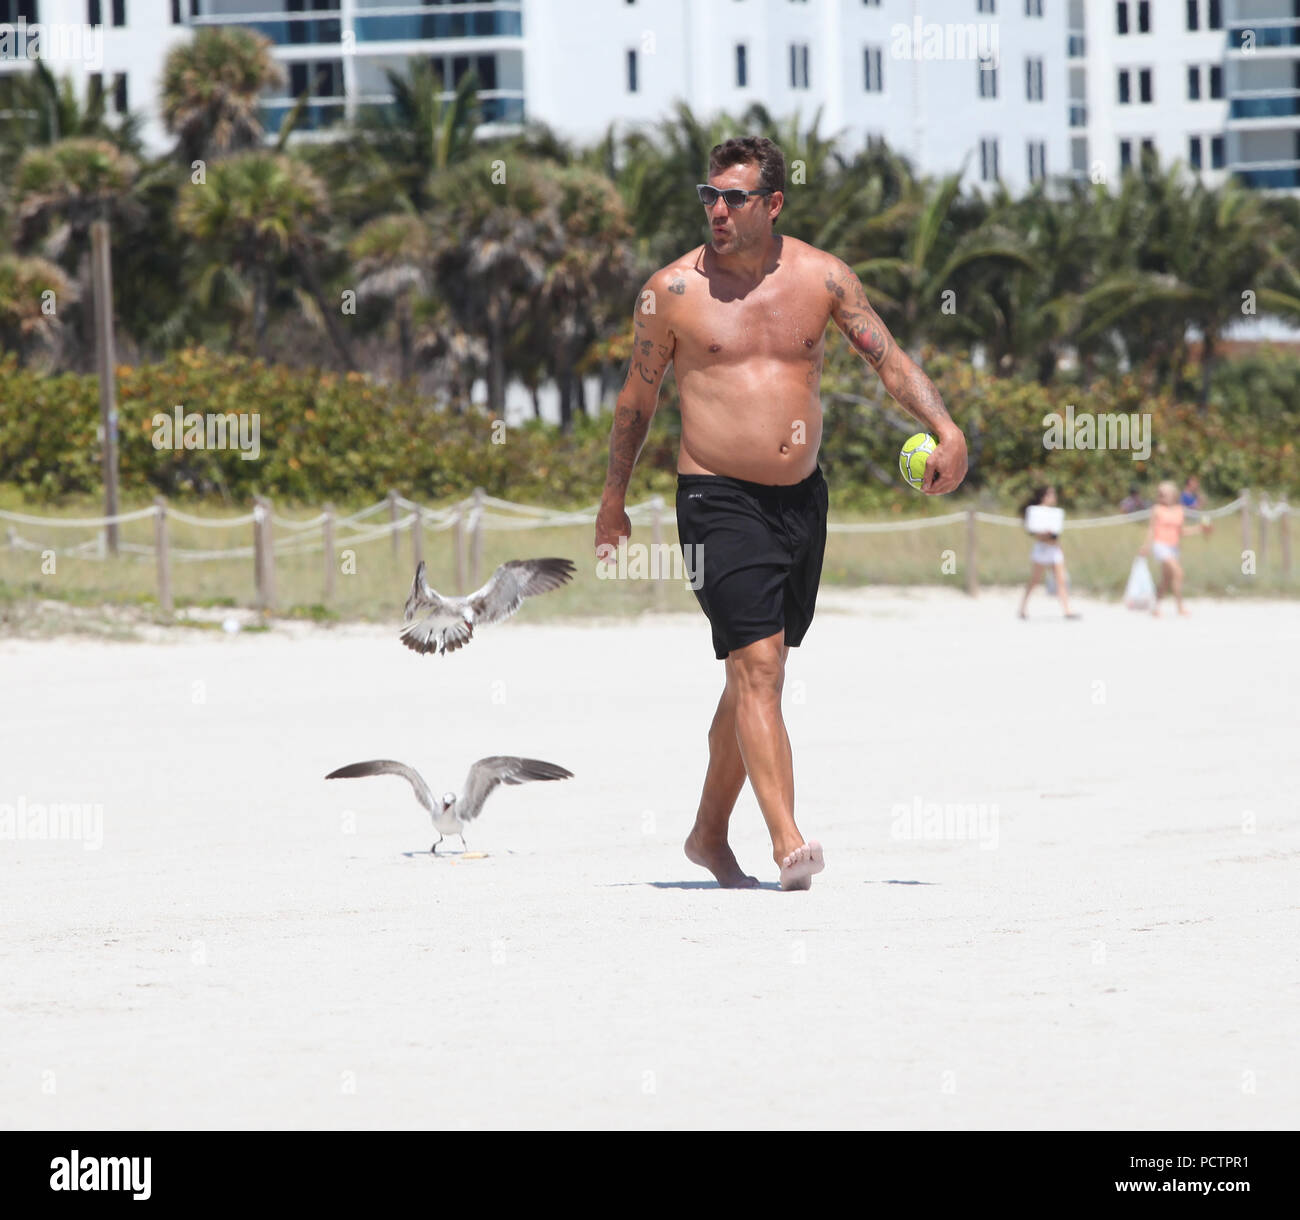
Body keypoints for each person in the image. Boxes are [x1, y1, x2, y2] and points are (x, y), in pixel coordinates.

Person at [593, 137, 967, 890]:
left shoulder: (822, 279)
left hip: (801, 499)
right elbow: (638, 400)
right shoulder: (670, 293)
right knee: (758, 666)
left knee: (755, 672)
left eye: (734, 197)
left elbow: (887, 357)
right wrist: (613, 505)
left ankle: (706, 835)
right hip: (714, 497)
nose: (717, 210)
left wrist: (949, 428)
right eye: (709, 196)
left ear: (772, 204)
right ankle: (788, 840)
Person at [1142, 480, 1208, 616]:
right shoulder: (1157, 509)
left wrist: (1199, 529)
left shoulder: (1179, 510)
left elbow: (1181, 531)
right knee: (1178, 572)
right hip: (1160, 545)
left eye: (1164, 494)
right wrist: (1146, 546)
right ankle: (1180, 607)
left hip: (1174, 547)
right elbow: (1151, 530)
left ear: (1173, 495)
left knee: (1166, 579)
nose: (1161, 496)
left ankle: (1156, 607)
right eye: (1159, 494)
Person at [1018, 485, 1079, 620]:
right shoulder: (1035, 512)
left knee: (1061, 581)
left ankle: (1067, 609)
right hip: (1042, 549)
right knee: (1034, 580)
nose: (1054, 497)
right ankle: (1022, 607)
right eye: (1051, 495)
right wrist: (1045, 533)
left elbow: (1056, 533)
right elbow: (1036, 533)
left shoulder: (1055, 513)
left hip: (1054, 549)